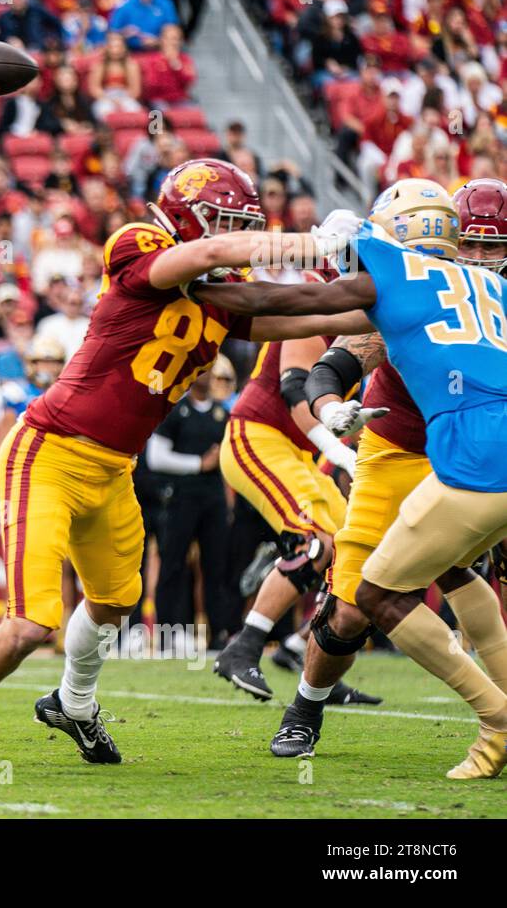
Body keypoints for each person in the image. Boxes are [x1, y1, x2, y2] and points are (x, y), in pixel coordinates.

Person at [0, 158, 368, 774]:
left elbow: (295, 306)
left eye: (238, 228)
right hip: (49, 452)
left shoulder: (213, 294)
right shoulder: (138, 242)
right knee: (31, 621)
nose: (232, 241)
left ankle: (74, 703)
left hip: (113, 469)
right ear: (189, 216)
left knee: (114, 601)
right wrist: (309, 240)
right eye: (223, 223)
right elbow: (205, 258)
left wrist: (387, 307)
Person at [187, 182, 507, 779]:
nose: (486, 259)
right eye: (478, 247)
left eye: (497, 249)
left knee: (426, 581)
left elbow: (297, 287)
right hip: (400, 450)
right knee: (355, 605)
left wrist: (193, 283)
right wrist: (332, 408)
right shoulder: (439, 286)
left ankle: (498, 718)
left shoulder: (431, 279)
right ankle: (306, 704)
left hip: (462, 456)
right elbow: (329, 357)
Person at [211, 307, 377, 704]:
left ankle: (307, 647)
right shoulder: (321, 303)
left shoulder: (373, 319)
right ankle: (244, 646)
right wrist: (339, 453)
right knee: (316, 540)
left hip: (299, 454)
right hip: (259, 435)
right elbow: (294, 389)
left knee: (361, 550)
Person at [145, 368, 233, 649]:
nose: (210, 378)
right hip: (180, 497)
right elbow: (156, 458)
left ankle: (219, 633)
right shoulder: (174, 410)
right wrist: (198, 464)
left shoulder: (222, 413)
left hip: (214, 497)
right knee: (173, 563)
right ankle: (168, 631)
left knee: (216, 565)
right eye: (206, 372)